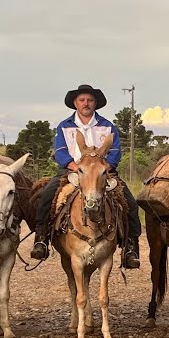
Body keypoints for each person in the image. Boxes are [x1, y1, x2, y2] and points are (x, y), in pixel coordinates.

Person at [29, 84, 142, 269]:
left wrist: (103, 168)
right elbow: (60, 152)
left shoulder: (107, 126)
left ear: (95, 103)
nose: (86, 103)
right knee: (47, 197)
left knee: (129, 202)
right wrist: (76, 167)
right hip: (71, 170)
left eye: (90, 100)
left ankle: (131, 247)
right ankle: (41, 239)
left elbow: (115, 152)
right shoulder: (64, 126)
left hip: (103, 172)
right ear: (75, 103)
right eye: (82, 100)